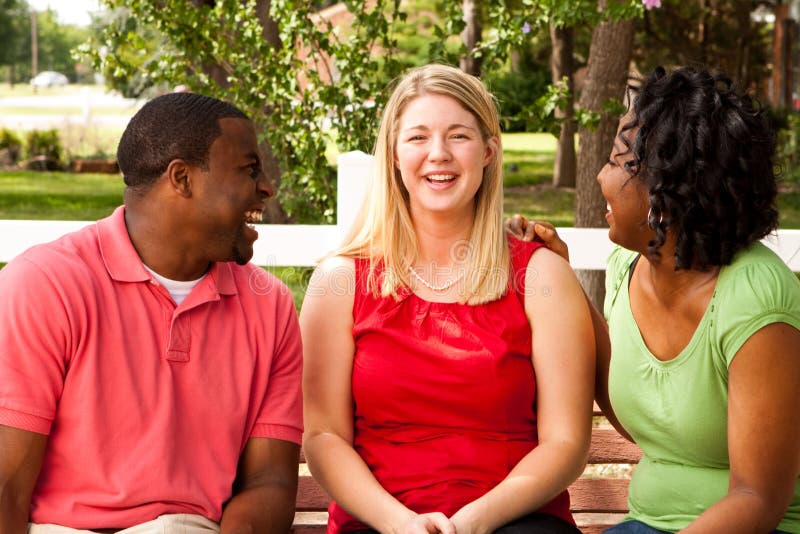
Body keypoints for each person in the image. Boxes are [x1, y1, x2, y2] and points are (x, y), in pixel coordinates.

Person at [300, 63, 595, 534]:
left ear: (488, 152)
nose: (438, 154)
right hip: (379, 522)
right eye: (417, 137)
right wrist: (400, 523)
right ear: (394, 155)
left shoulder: (541, 276)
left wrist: (474, 522)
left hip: (515, 521)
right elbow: (323, 435)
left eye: (458, 136)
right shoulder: (340, 282)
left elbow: (566, 443)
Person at [511, 66, 800, 533]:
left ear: (665, 193)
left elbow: (758, 499)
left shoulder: (756, 301)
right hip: (646, 524)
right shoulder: (628, 268)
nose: (601, 177)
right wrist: (563, 276)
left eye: (615, 162)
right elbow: (637, 415)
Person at [0, 92, 303, 533]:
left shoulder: (269, 305)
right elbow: (6, 487)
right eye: (249, 169)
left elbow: (269, 482)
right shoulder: (45, 284)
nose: (266, 187)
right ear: (182, 178)